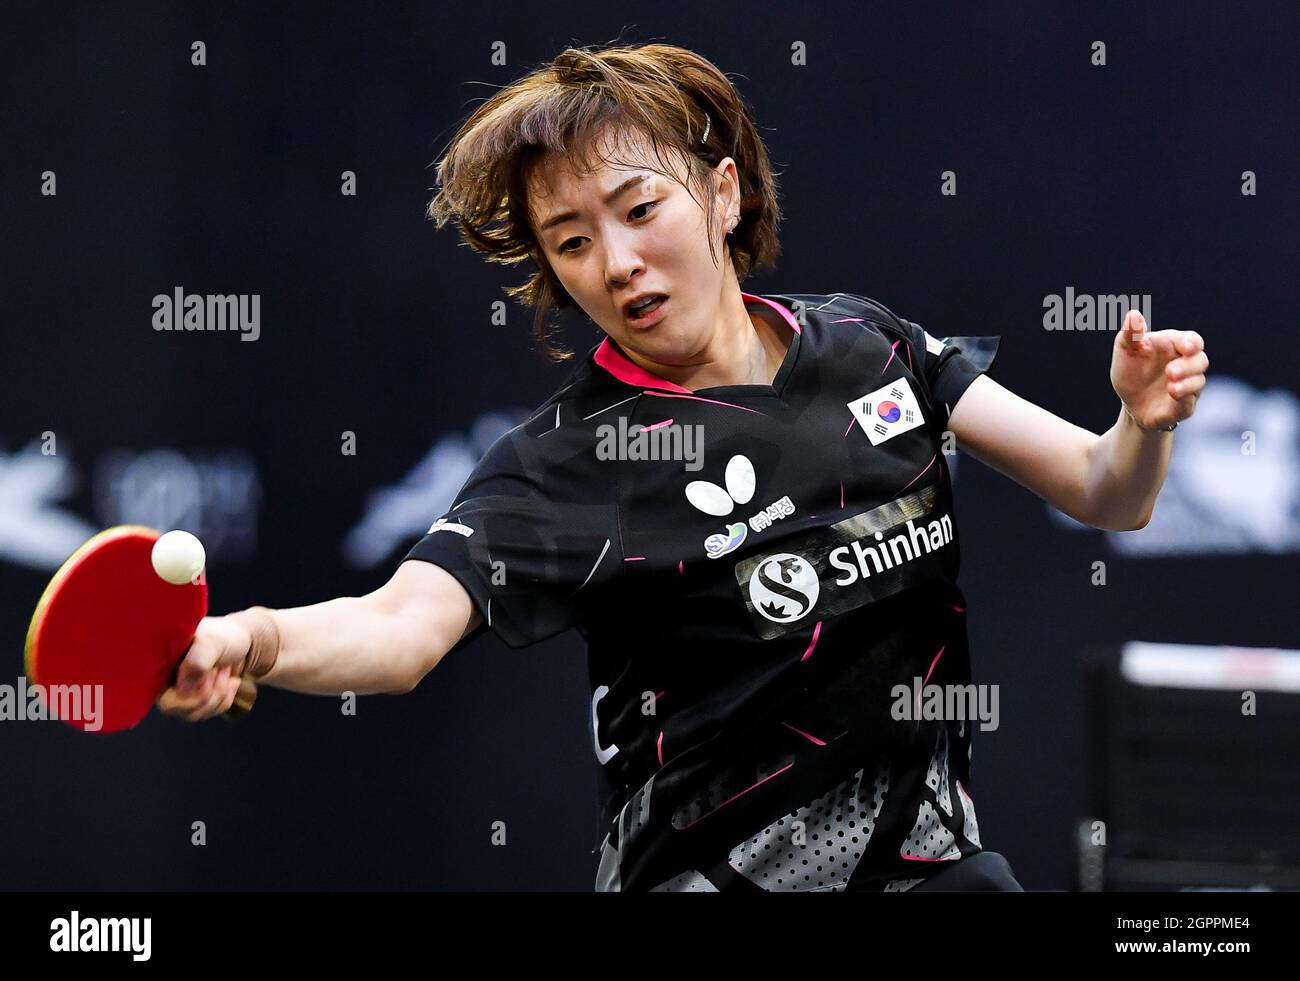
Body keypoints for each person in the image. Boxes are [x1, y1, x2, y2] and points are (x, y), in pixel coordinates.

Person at [158, 42, 1209, 892]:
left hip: (928, 867)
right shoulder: (571, 457)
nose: (613, 263)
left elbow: (1104, 491)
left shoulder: (875, 350)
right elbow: (398, 630)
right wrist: (250, 639)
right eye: (569, 242)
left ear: (723, 194)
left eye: (638, 209)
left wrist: (1140, 423)